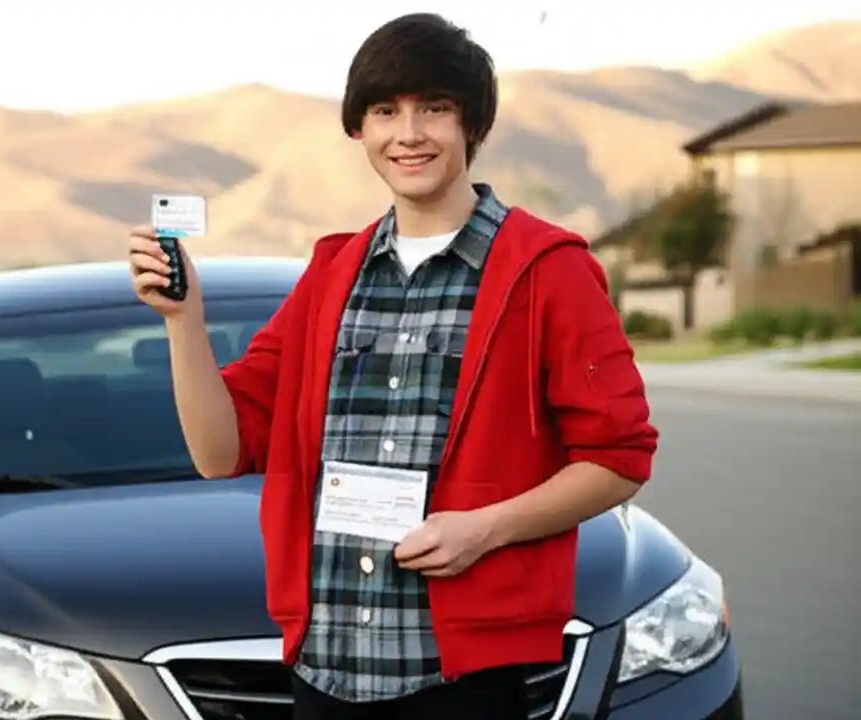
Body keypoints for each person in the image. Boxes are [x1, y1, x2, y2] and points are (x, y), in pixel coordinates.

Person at [127, 12, 658, 720]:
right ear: (360, 130)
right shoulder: (329, 275)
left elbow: (620, 459)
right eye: (386, 111)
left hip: (460, 682)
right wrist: (183, 323)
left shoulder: (547, 271)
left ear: (473, 126)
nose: (409, 133)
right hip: (325, 670)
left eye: (434, 108)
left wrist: (486, 528)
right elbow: (218, 452)